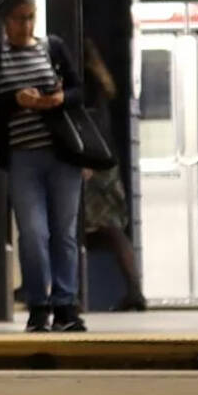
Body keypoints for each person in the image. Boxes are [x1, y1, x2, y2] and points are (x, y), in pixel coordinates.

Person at [0, 0, 87, 332]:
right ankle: (38, 304)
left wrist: (59, 99)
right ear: (5, 21)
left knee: (64, 233)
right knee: (34, 233)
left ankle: (65, 305)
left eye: (31, 17)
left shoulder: (52, 48)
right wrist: (16, 100)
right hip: (23, 158)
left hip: (62, 156)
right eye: (19, 19)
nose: (26, 25)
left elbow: (81, 91)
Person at [81, 38, 146, 312]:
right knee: (110, 228)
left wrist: (86, 162)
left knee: (103, 227)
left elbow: (86, 125)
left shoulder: (83, 81)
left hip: (92, 163)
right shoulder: (99, 79)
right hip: (106, 161)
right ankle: (133, 290)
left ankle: (133, 291)